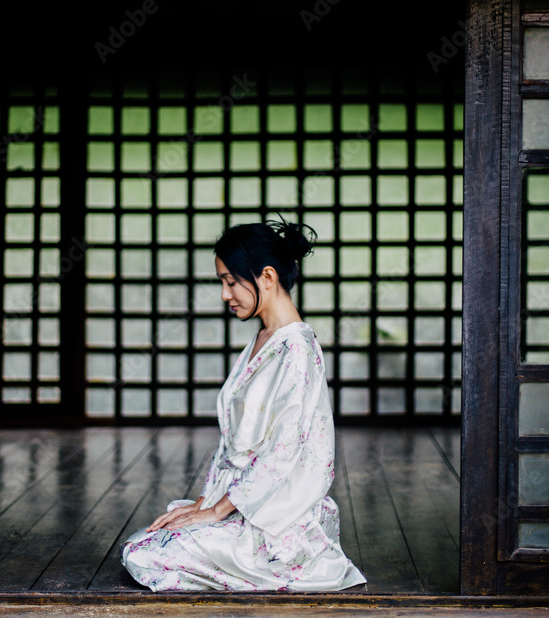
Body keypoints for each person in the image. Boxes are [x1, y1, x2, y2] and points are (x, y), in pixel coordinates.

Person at [120, 218, 367, 591]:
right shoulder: (265, 339)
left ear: (267, 277)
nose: (225, 294)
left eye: (230, 281)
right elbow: (232, 441)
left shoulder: (296, 349)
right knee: (144, 541)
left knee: (147, 554)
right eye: (223, 282)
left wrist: (217, 511)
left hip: (276, 517)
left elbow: (282, 451)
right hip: (243, 499)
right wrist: (205, 502)